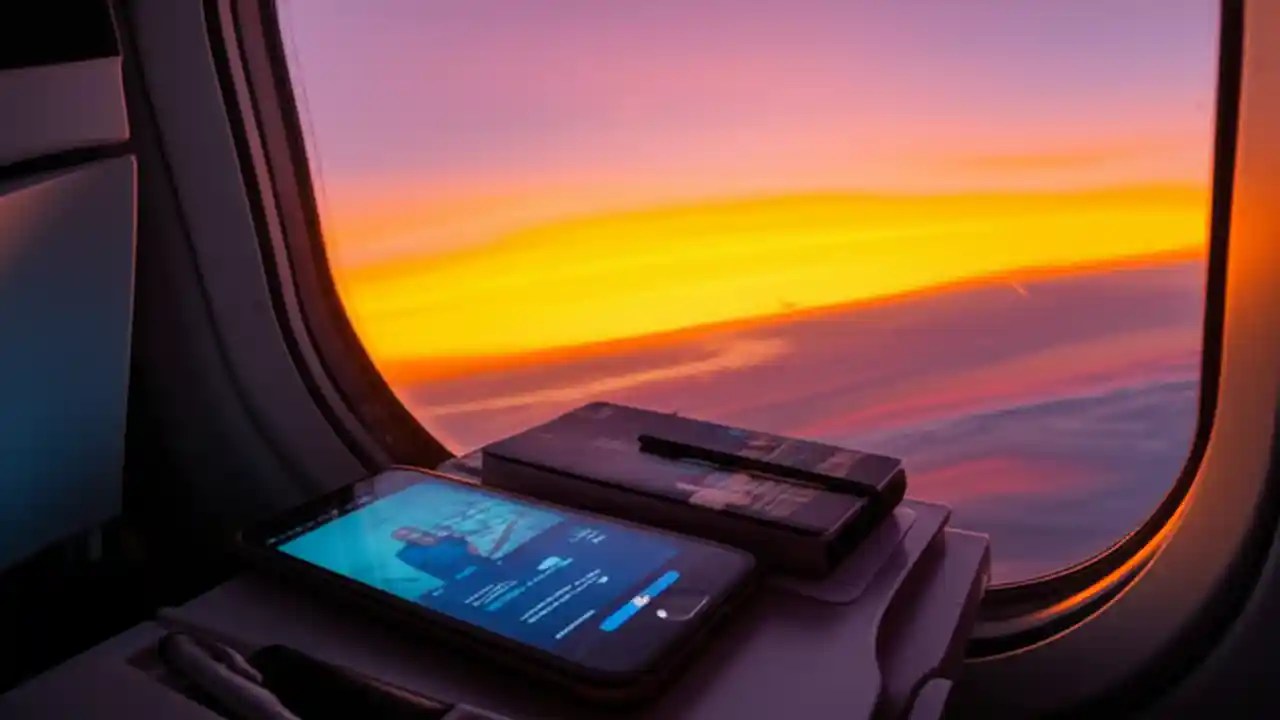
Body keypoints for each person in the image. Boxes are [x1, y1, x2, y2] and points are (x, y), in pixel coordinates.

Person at [392, 526, 494, 583]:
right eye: (406, 535)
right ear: (403, 540)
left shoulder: (447, 534)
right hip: (462, 580)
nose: (413, 533)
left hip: (485, 567)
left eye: (412, 530)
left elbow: (472, 547)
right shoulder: (408, 554)